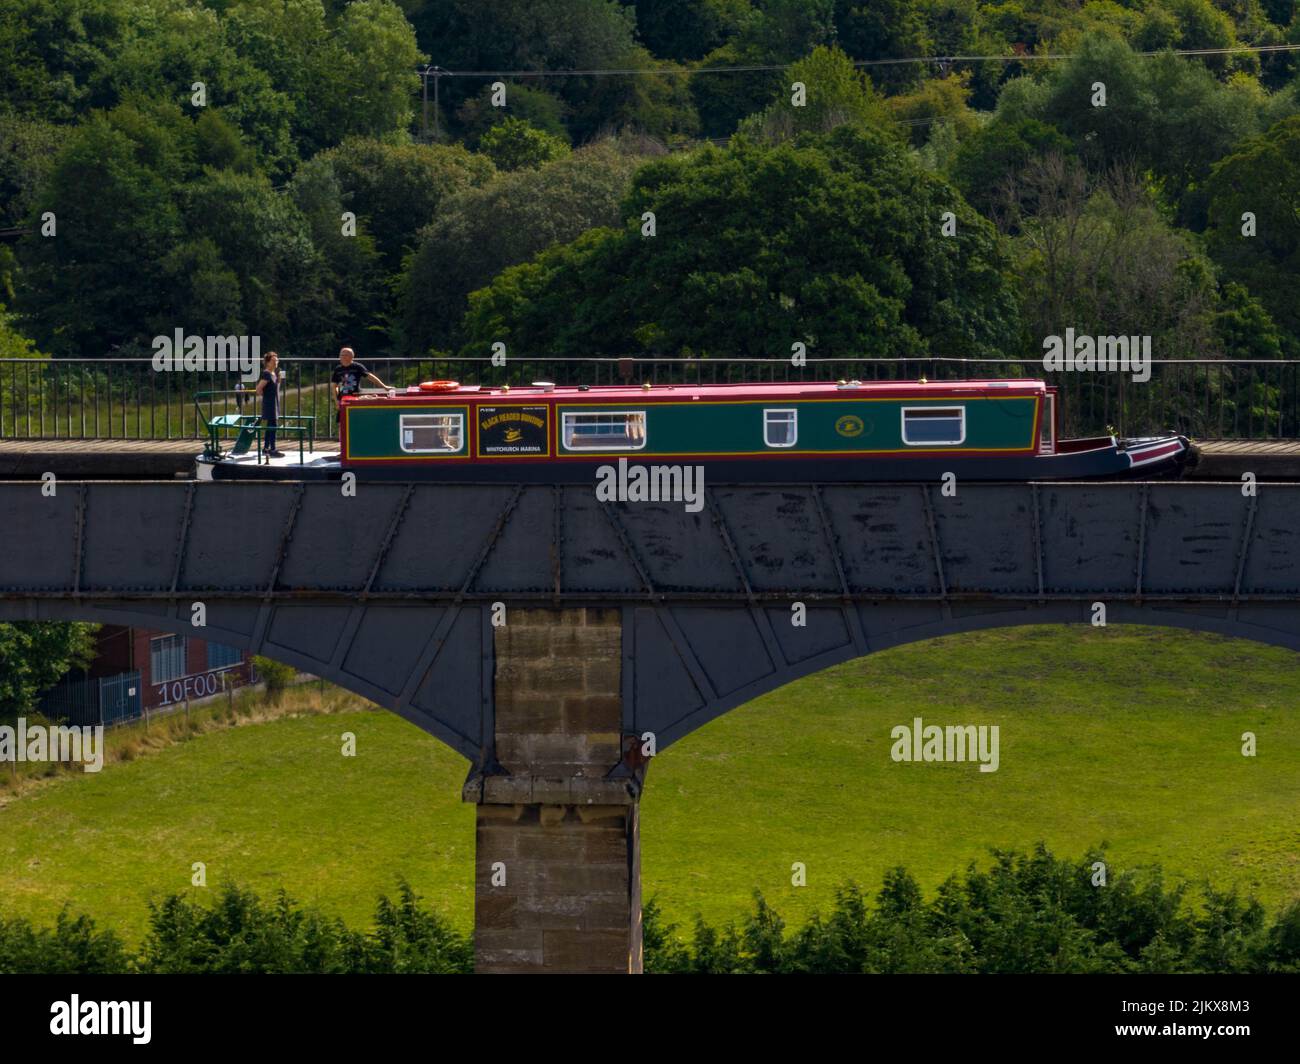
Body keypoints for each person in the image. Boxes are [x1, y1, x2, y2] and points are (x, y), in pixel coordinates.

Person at [255, 351, 285, 458]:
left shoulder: (274, 374)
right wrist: (266, 396)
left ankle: (266, 448)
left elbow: (275, 388)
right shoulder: (267, 374)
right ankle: (273, 449)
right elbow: (259, 389)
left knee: (270, 426)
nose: (276, 362)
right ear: (267, 362)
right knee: (273, 426)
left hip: (275, 403)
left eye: (277, 360)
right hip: (270, 404)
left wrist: (279, 379)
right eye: (273, 361)